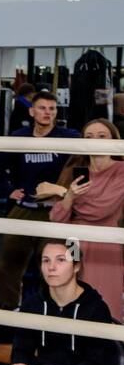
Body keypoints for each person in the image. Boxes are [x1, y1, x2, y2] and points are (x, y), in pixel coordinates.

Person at [7, 240, 118, 365]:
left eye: (61, 260)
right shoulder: (33, 304)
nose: (51, 267)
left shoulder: (95, 308)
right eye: (45, 260)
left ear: (76, 266)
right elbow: (21, 347)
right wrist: (20, 363)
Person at [0, 91, 80, 308]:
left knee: (56, 266)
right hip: (25, 208)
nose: (47, 113)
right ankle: (8, 312)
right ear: (32, 111)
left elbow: (91, 150)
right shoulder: (19, 136)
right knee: (8, 265)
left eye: (52, 108)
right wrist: (8, 189)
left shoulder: (68, 136)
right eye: (42, 108)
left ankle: (51, 312)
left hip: (56, 211)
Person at [41, 119, 124, 322]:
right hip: (73, 240)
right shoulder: (75, 170)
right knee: (70, 294)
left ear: (114, 140)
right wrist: (68, 195)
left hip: (105, 243)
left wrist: (60, 192)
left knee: (106, 300)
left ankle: (107, 350)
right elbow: (57, 220)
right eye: (89, 137)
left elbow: (102, 209)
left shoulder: (121, 171)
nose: (95, 141)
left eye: (102, 136)